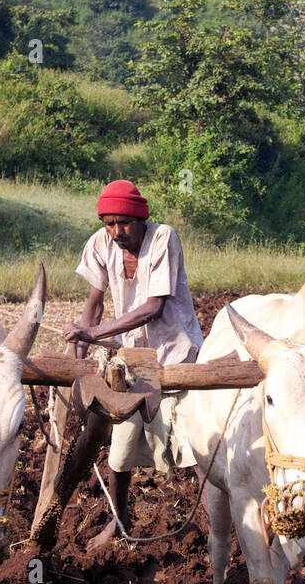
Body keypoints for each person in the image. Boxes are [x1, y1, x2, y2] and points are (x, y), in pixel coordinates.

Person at [63, 179, 203, 542]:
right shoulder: (99, 244)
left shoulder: (163, 239)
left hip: (176, 354)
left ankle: (213, 520)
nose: (116, 231)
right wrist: (80, 352)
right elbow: (94, 304)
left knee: (196, 443)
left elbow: (153, 308)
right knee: (120, 449)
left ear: (142, 218)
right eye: (109, 223)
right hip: (133, 359)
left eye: (123, 222)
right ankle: (120, 520)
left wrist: (94, 334)